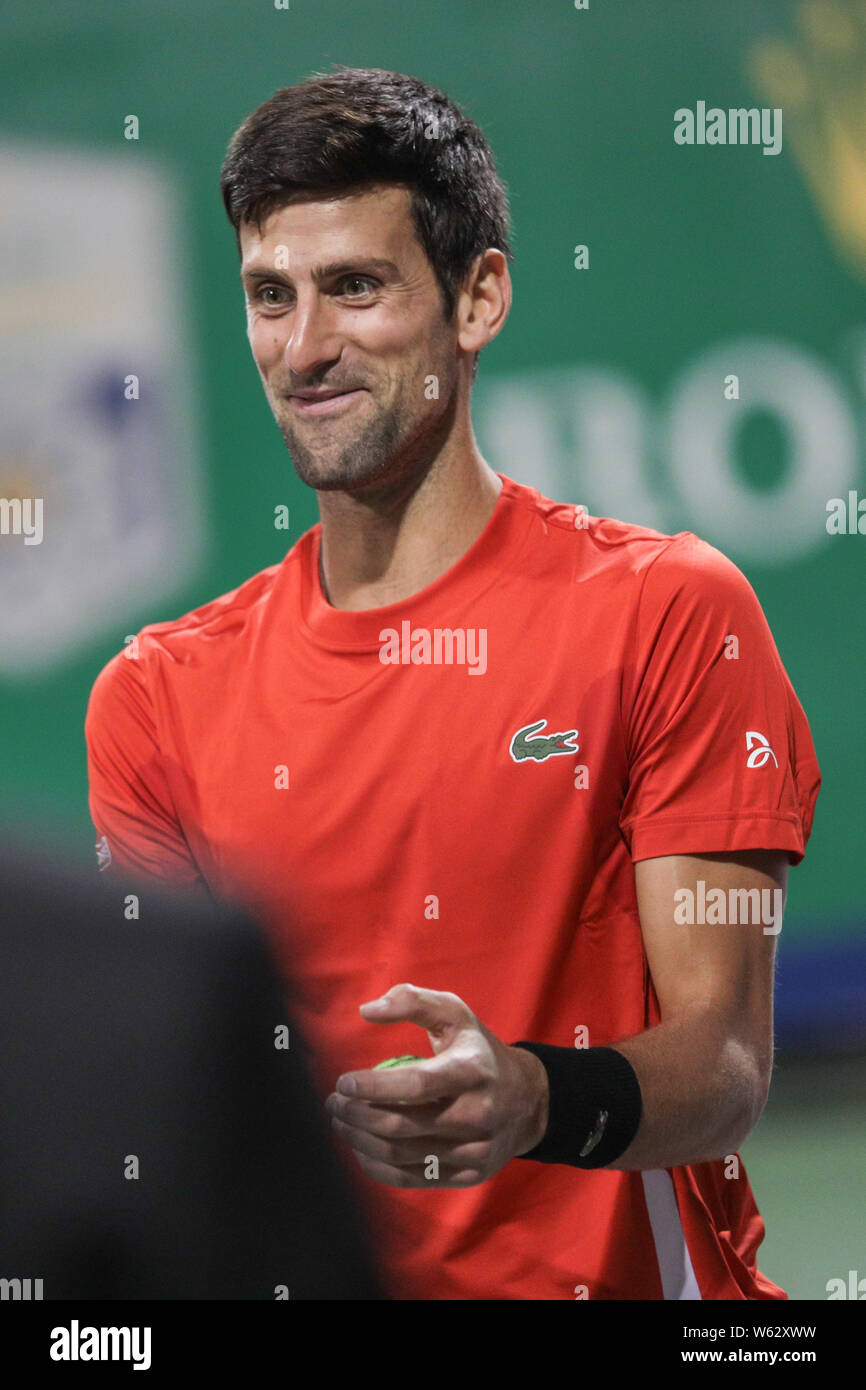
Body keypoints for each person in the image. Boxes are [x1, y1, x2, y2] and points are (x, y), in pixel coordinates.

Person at [86, 66, 821, 1300]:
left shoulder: (670, 614)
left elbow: (726, 1069)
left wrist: (532, 1095)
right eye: (271, 296)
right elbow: (170, 1109)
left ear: (477, 298)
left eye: (354, 288)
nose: (304, 348)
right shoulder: (155, 698)